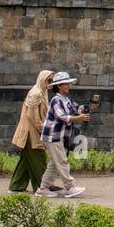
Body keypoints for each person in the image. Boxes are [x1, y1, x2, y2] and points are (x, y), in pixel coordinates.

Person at [38, 70, 88, 198]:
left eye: (69, 83)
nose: (68, 86)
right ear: (59, 86)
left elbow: (77, 109)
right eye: (66, 84)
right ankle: (70, 187)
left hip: (57, 136)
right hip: (52, 136)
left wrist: (88, 107)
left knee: (55, 163)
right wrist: (79, 118)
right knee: (61, 161)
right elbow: (63, 117)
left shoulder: (66, 99)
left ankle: (43, 188)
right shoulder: (56, 100)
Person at [8, 69, 52, 193]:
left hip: (32, 133)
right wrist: (41, 128)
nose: (50, 83)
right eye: (49, 80)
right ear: (42, 79)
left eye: (52, 81)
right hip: (30, 134)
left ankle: (16, 186)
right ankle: (42, 186)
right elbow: (32, 116)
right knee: (39, 157)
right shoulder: (36, 93)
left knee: (26, 161)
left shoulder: (42, 92)